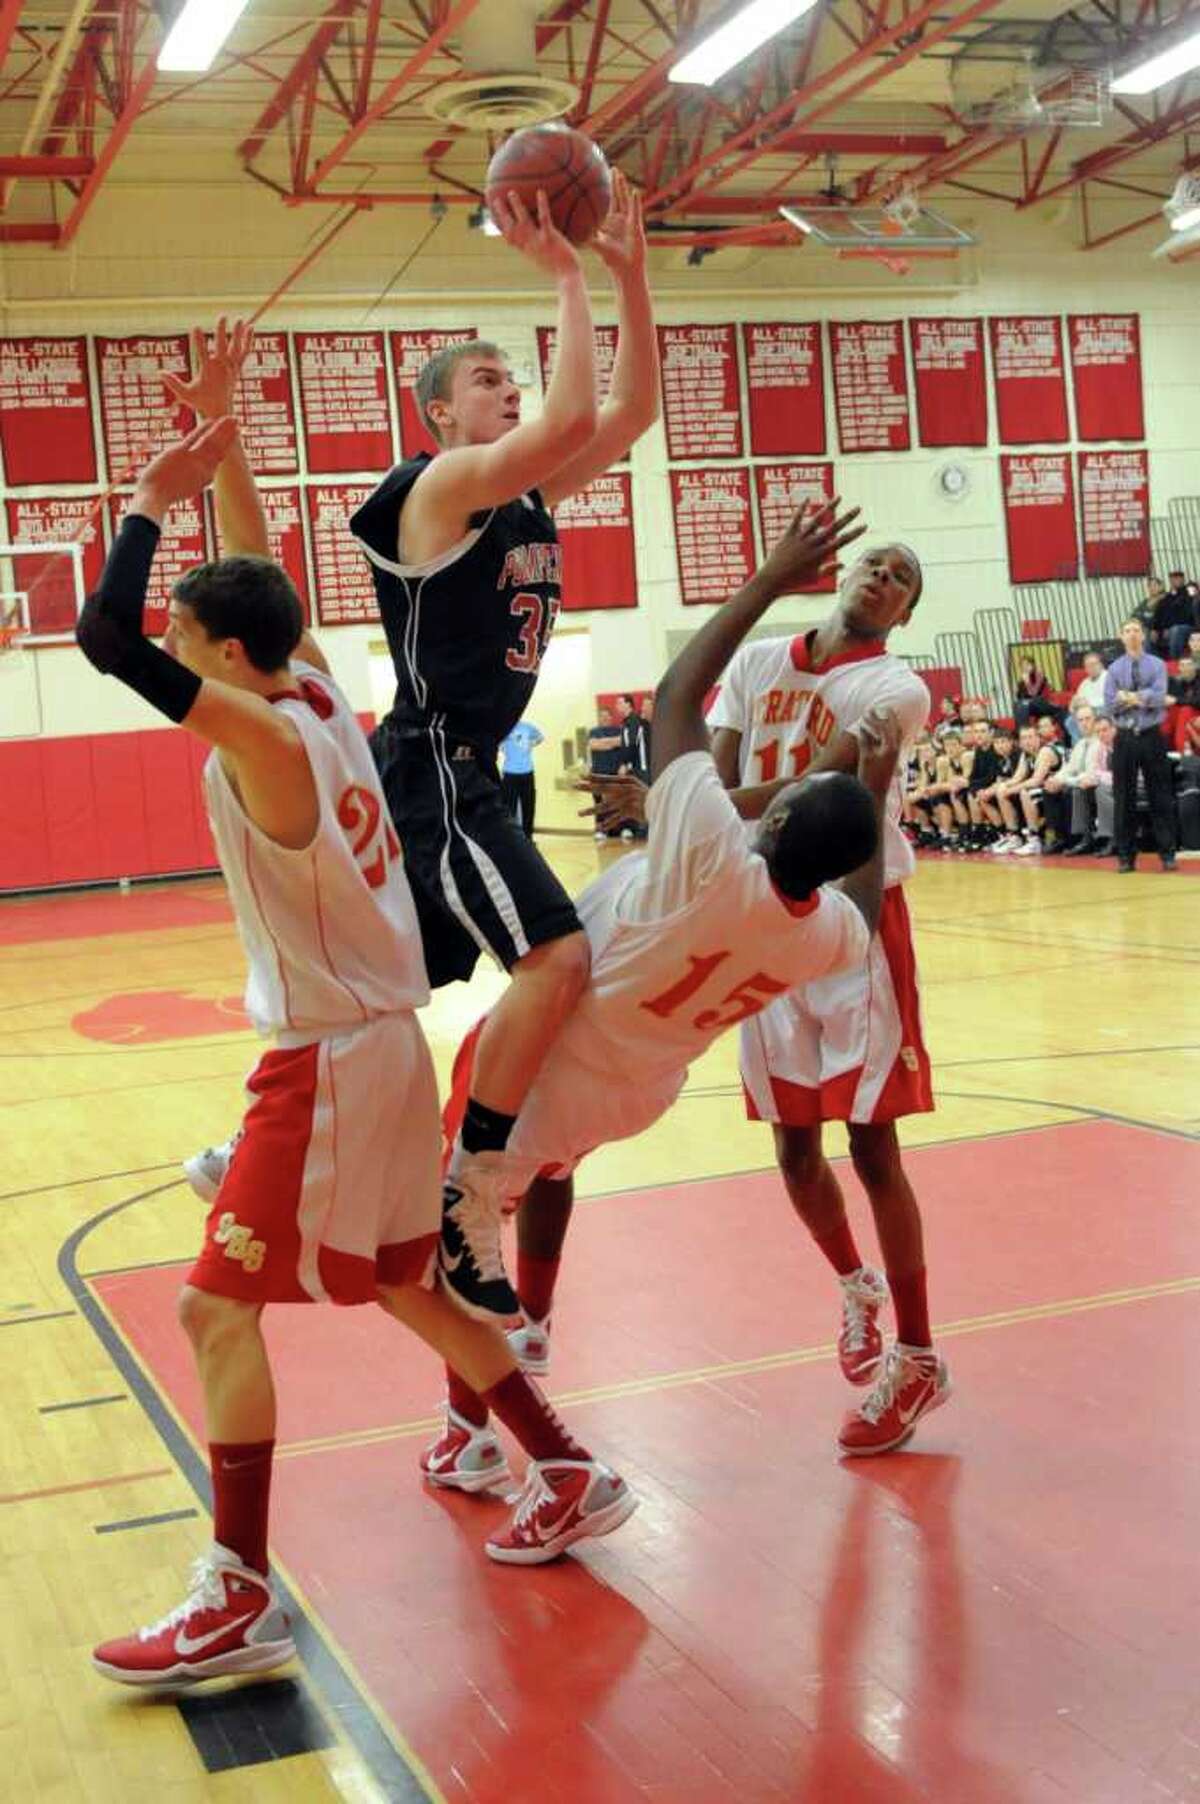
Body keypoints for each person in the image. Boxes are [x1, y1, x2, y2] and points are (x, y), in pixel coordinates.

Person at [77, 419, 637, 1686]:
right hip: (381, 1045)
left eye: (187, 641)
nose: (175, 652)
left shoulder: (267, 739)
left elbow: (107, 636)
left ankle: (238, 1592)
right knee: (405, 1284)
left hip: (327, 1060)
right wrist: (227, 454)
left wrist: (151, 496)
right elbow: (260, 576)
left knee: (210, 1310)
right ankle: (565, 1465)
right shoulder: (319, 690)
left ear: (227, 658)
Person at [421, 500, 909, 1483]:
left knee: (458, 1241)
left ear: (773, 824)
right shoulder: (818, 933)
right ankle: (535, 1326)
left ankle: (485, 1434)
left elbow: (680, 689)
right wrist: (875, 776)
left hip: (557, 1053)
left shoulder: (711, 850)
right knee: (548, 1174)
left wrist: (771, 575)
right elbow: (859, 898)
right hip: (634, 1086)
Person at [349, 173, 661, 1320]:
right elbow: (573, 421)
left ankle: (274, 1141)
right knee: (557, 959)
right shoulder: (434, 489)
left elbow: (626, 417)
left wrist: (629, 273)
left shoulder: (522, 499)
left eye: (508, 377)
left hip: (471, 771)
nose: (509, 388)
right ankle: (472, 1185)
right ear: (439, 413)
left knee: (392, 981)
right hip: (437, 764)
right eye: (486, 380)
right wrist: (568, 273)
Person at [1104, 619, 1177, 872]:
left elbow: (1160, 696)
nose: (1132, 635)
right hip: (1124, 737)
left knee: (1160, 794)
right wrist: (1145, 698)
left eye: (1136, 630)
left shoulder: (1157, 665)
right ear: (1121, 636)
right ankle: (1125, 856)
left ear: (1143, 635)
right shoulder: (1114, 669)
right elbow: (1110, 705)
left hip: (1151, 735)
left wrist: (1130, 697)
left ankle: (1167, 853)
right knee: (1124, 797)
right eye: (1127, 631)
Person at [1043, 703, 1099, 850]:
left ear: (1096, 720)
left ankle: (1078, 838)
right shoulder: (1080, 744)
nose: (1084, 723)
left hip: (1095, 784)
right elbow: (1069, 768)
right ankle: (1059, 837)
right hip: (1080, 782)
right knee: (1049, 789)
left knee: (1071, 791)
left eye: (1088, 719)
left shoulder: (1100, 742)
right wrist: (1056, 779)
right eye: (1080, 720)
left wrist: (1064, 781)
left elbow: (1091, 774)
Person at [1070, 715, 1115, 855]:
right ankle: (1086, 836)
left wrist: (1097, 778)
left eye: (1105, 730)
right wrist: (1088, 779)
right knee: (1080, 789)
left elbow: (1123, 775)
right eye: (1098, 731)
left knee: (1101, 790)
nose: (1101, 734)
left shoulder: (1123, 745)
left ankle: (1112, 838)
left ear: (1114, 729)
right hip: (1112, 782)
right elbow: (1095, 770)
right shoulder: (1100, 747)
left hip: (1134, 783)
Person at [586, 704, 625, 842]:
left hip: (615, 774)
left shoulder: (619, 730)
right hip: (598, 773)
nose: (604, 718)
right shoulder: (593, 731)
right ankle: (601, 830)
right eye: (602, 716)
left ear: (611, 717)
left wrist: (604, 743)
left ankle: (619, 830)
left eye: (607, 716)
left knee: (617, 803)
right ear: (599, 718)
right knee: (599, 804)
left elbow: (621, 743)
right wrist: (612, 743)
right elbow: (594, 745)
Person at [499, 718, 543, 838]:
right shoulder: (504, 727)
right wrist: (504, 748)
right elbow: (497, 743)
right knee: (509, 809)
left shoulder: (527, 727)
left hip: (527, 772)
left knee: (528, 807)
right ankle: (511, 838)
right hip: (510, 773)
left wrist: (531, 744)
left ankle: (528, 837)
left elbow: (540, 737)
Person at [1156, 570, 1199, 661]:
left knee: (1176, 630)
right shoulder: (1168, 597)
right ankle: (1155, 664)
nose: (1174, 581)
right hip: (1168, 628)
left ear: (1182, 579)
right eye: (1172, 579)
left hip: (1188, 626)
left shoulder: (1189, 590)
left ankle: (1174, 661)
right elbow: (1160, 613)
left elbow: (1189, 610)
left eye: (1177, 578)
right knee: (1146, 635)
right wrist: (1156, 629)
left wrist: (1191, 588)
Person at [1072, 650, 1108, 714]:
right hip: (1085, 712)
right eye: (1087, 666)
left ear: (1101, 665)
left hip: (1103, 712)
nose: (1091, 668)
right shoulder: (1084, 683)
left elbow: (1110, 700)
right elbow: (1078, 699)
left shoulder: (1109, 678)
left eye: (1093, 664)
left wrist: (1088, 703)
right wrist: (1074, 703)